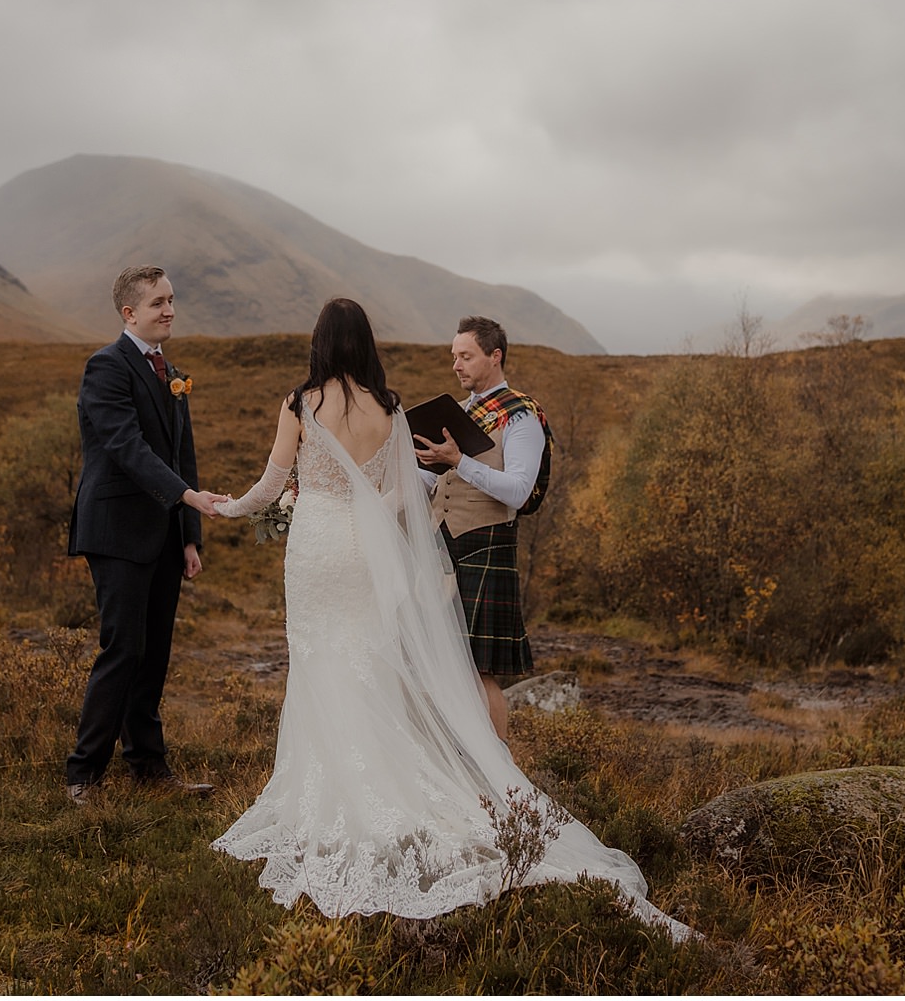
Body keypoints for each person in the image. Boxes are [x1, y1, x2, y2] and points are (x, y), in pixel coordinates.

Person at [210, 299, 685, 938]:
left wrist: (226, 508)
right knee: (367, 661)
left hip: (316, 550)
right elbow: (404, 493)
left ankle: (329, 788)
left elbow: (270, 485)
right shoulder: (390, 409)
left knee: (319, 662)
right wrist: (370, 519)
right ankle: (398, 778)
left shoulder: (299, 403)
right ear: (366, 343)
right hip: (360, 550)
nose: (457, 362)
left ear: (319, 343)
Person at [64, 264, 225, 804]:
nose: (170, 310)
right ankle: (83, 774)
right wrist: (186, 496)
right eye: (158, 303)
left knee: (154, 653)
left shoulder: (170, 372)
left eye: (172, 300)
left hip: (163, 533)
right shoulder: (106, 368)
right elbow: (126, 446)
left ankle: (149, 768)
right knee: (123, 649)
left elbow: (182, 454)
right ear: (130, 312)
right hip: (116, 530)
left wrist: (188, 536)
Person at [411, 316, 553, 742]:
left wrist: (458, 461)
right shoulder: (457, 413)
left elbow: (519, 491)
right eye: (454, 356)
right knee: (434, 663)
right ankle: (454, 758)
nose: (456, 365)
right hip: (440, 548)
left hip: (486, 546)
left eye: (466, 356)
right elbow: (431, 481)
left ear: (495, 356)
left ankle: (496, 767)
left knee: (478, 670)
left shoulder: (520, 415)